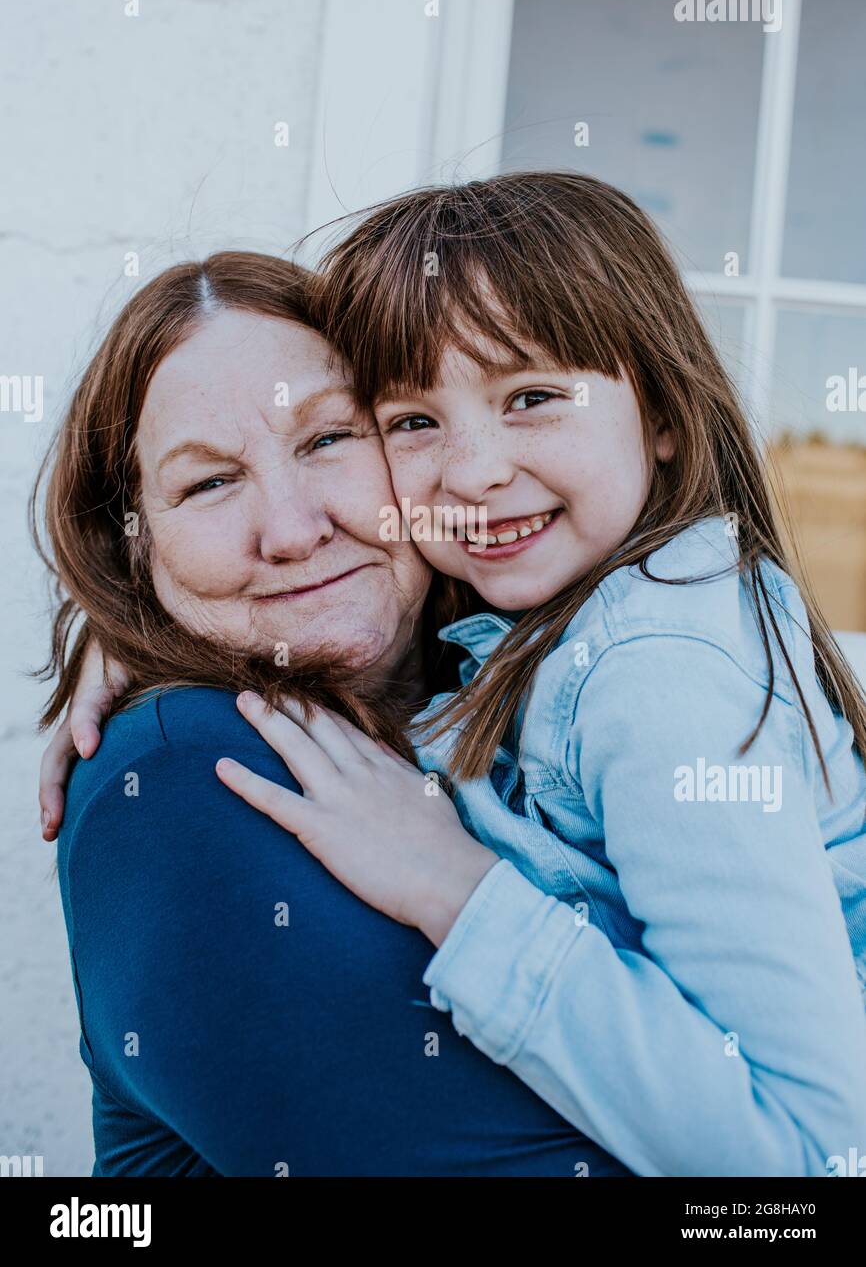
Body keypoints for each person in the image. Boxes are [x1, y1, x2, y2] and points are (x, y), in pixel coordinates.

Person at [208, 174, 866, 1177]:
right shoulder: (530, 608)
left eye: (532, 397)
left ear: (663, 416)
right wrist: (137, 640)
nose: (470, 470)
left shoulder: (655, 681)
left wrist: (457, 892)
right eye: (411, 421)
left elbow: (807, 1161)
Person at [34, 249, 632, 1176]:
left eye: (328, 440)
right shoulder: (186, 778)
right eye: (207, 485)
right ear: (133, 544)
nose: (293, 531)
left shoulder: (524, 696)